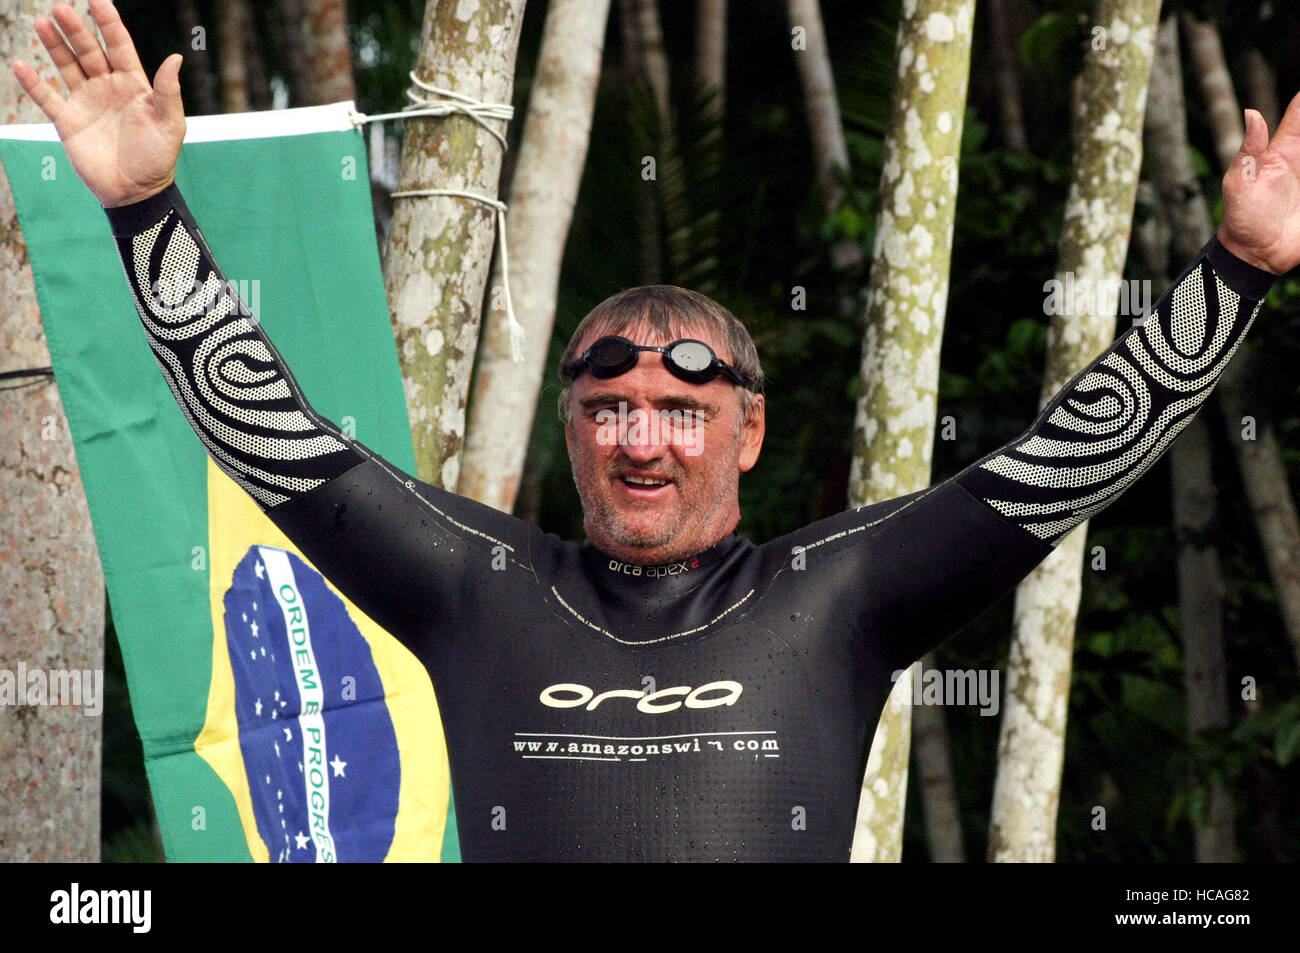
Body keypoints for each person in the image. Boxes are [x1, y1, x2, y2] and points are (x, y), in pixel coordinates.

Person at [14, 0, 1296, 862]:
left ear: (748, 432)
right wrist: (143, 208)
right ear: (569, 430)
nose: (643, 439)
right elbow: (272, 439)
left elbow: (1059, 465)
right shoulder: (477, 585)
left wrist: (1235, 268)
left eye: (684, 410)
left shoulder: (839, 592)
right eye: (609, 408)